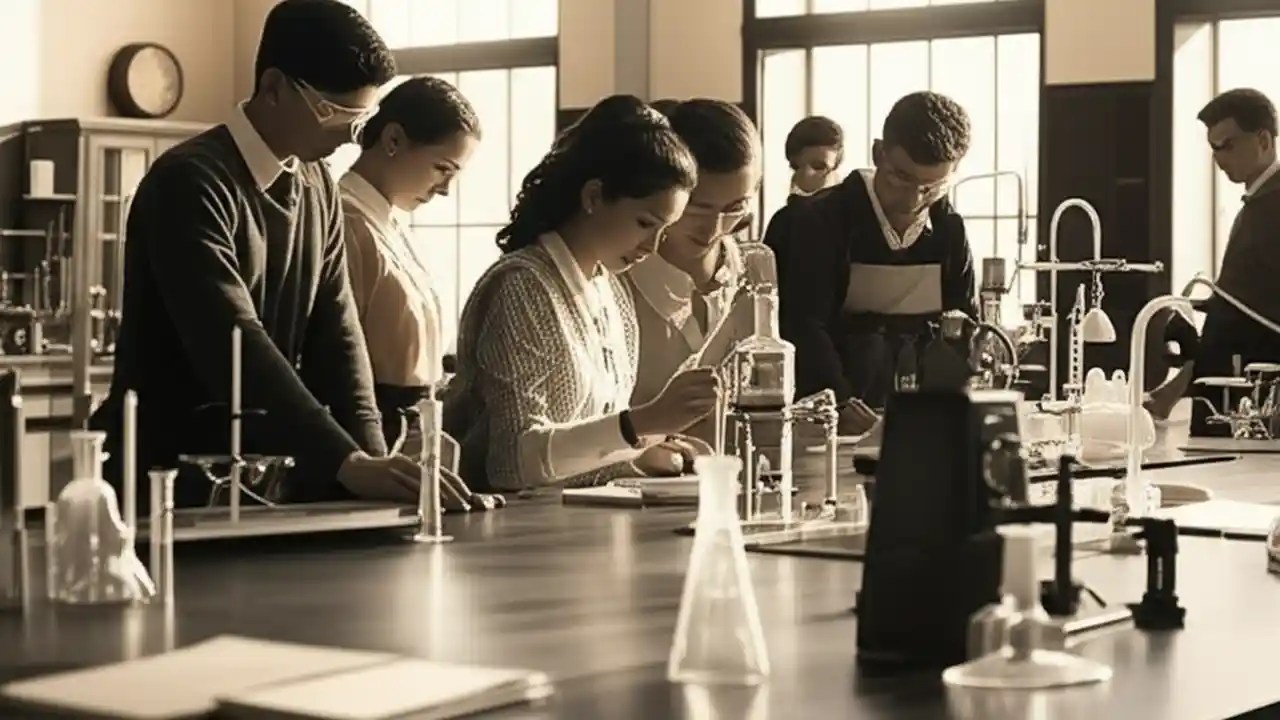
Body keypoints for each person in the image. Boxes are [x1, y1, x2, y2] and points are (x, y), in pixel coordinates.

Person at [92, 0, 420, 510]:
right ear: (272, 88)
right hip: (170, 485)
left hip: (266, 481)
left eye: (363, 120)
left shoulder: (319, 188)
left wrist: (377, 470)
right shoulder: (189, 183)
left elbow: (339, 338)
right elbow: (234, 341)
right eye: (336, 114)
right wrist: (346, 463)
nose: (348, 138)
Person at [443, 95, 722, 492]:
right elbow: (511, 463)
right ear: (593, 197)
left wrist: (647, 447)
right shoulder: (522, 285)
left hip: (584, 522)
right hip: (507, 531)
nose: (652, 246)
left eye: (665, 229)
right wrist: (643, 424)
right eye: (645, 222)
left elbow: (597, 443)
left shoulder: (613, 290)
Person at [777, 91, 977, 435]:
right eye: (902, 178)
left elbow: (963, 325)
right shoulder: (818, 222)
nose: (914, 200)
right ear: (878, 153)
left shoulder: (949, 230)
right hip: (830, 425)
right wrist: (839, 405)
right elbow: (804, 327)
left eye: (932, 187)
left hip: (918, 423)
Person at [340, 77, 479, 455]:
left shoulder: (392, 222)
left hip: (417, 426)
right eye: (441, 168)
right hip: (371, 430)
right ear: (393, 140)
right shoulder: (346, 223)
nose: (446, 189)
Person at [1147, 88, 1280, 435]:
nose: (1219, 158)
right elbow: (1241, 307)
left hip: (1255, 400)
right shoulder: (1257, 204)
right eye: (1213, 148)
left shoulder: (1272, 208)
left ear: (1264, 140)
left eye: (1229, 145)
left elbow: (1248, 316)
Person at [626, 99, 762, 430]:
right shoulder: (619, 274)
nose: (714, 229)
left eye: (735, 207)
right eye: (698, 208)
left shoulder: (756, 268)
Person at [765, 115, 845, 294]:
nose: (806, 174)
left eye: (818, 166)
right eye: (797, 166)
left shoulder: (851, 223)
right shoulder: (783, 222)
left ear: (835, 170)